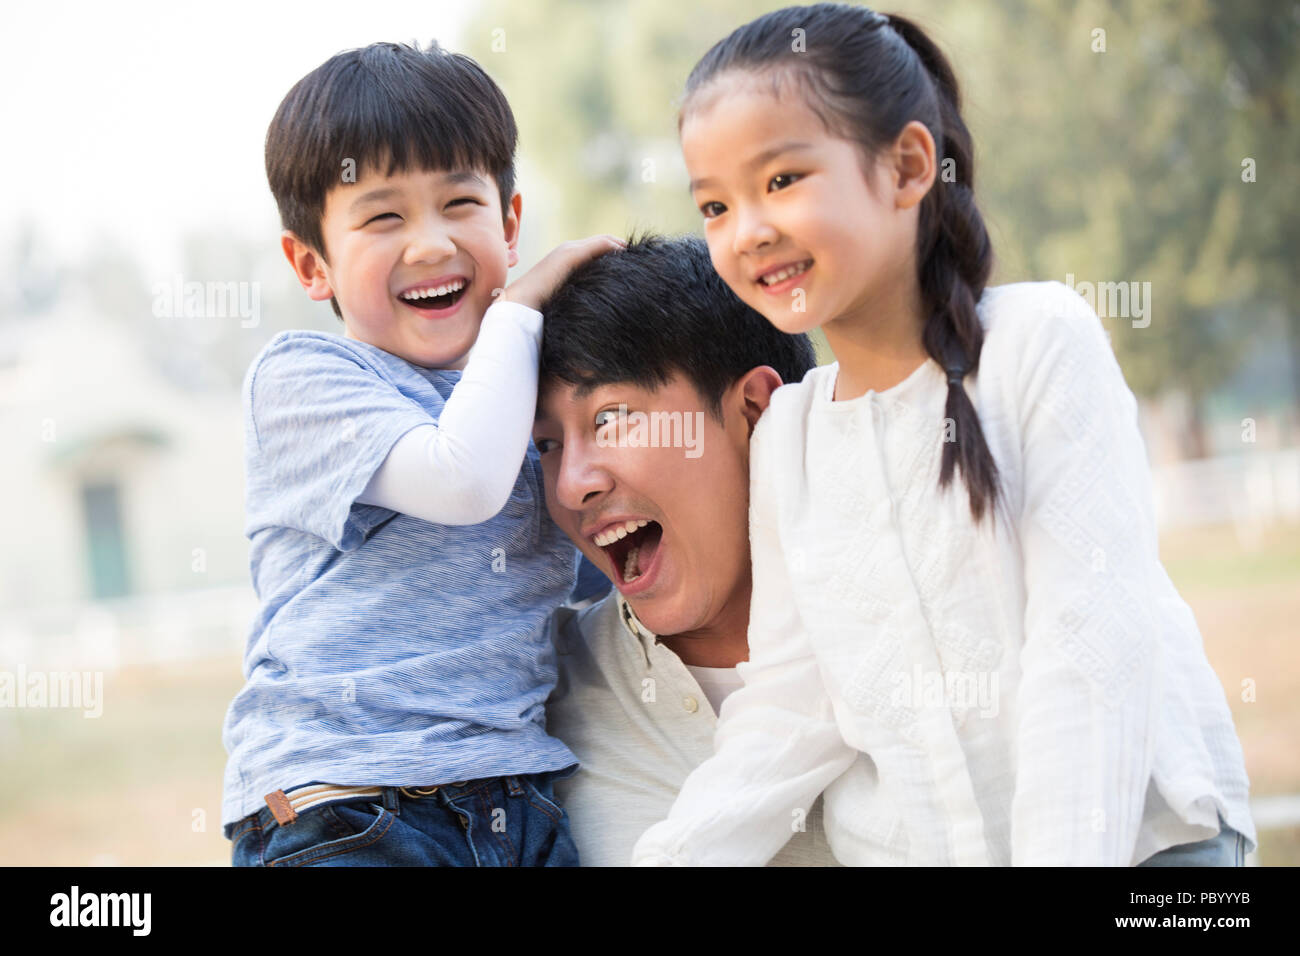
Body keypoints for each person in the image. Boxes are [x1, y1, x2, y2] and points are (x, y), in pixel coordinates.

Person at [631, 4, 1256, 866]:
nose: (749, 230)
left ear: (908, 165)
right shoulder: (791, 439)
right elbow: (790, 710)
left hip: (1146, 851)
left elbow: (1089, 652)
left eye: (780, 181)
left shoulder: (1037, 344)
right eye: (714, 205)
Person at [220, 40, 620, 867]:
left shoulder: (536, 396)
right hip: (349, 804)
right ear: (310, 263)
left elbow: (590, 576)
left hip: (519, 802)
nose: (431, 244)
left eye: (459, 203)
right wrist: (521, 307)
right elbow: (463, 478)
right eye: (383, 216)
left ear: (509, 224)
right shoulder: (306, 380)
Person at [532, 234, 836, 865]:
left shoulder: (911, 636)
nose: (572, 483)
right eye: (547, 444)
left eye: (611, 418)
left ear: (754, 411)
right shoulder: (528, 699)